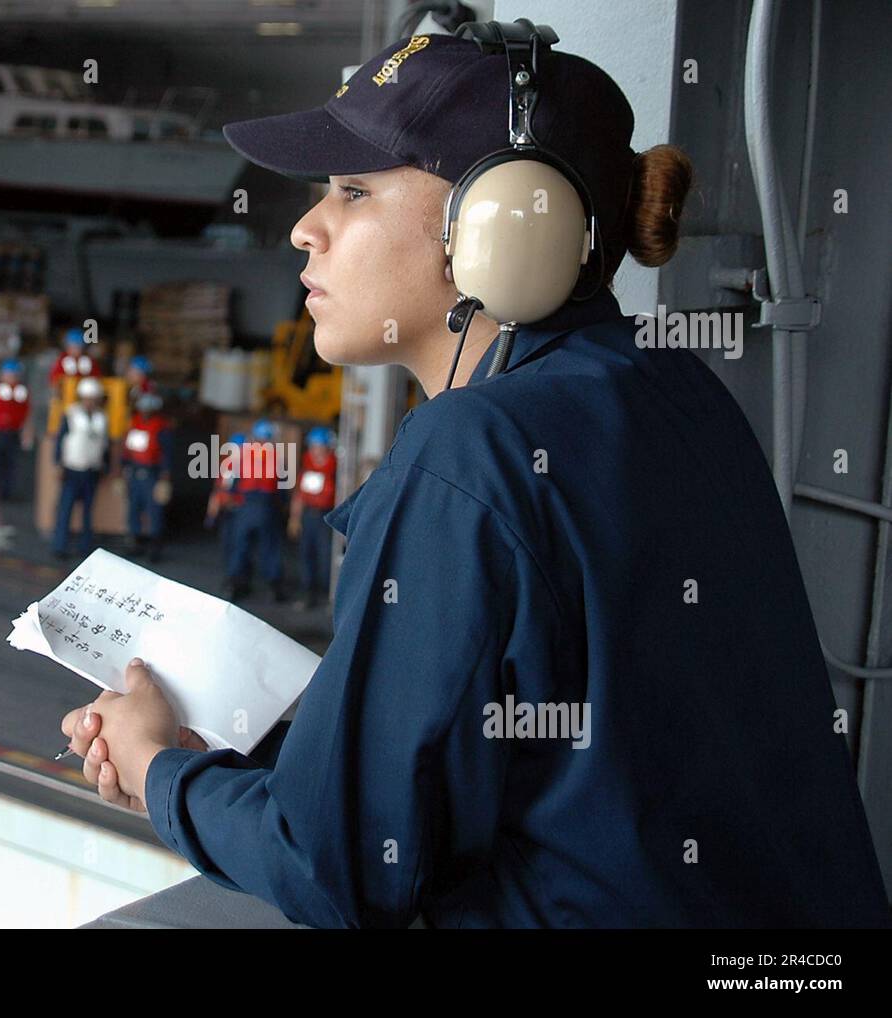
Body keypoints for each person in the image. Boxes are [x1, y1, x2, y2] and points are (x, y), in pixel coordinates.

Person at [58, 29, 890, 928]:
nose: (306, 227)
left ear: (500, 224)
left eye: (352, 191)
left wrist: (156, 770)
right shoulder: (675, 385)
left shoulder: (472, 448)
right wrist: (265, 759)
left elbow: (338, 869)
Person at [225, 419, 286, 603]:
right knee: (270, 548)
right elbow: (282, 489)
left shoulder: (243, 455)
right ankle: (275, 587)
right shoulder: (276, 457)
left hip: (245, 507)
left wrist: (232, 499)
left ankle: (237, 585)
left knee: (241, 547)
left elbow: (233, 484)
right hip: (267, 507)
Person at [51, 376, 109, 559]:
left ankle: (85, 546)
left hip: (92, 469)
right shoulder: (71, 414)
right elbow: (61, 440)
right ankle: (60, 545)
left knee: (88, 510)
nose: (90, 402)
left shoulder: (102, 418)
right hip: (72, 467)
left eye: (93, 398)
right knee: (65, 508)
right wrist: (58, 463)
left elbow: (104, 443)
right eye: (87, 398)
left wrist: (104, 465)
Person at [288, 426, 337, 610]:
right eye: (312, 446)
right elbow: (300, 494)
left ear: (327, 447)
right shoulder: (307, 464)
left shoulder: (336, 468)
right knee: (306, 555)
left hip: (327, 517)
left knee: (326, 558)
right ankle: (309, 595)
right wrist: (294, 518)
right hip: (309, 516)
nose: (315, 450)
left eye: (319, 446)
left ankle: (329, 598)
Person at [121, 391, 173, 562]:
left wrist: (165, 478)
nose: (144, 411)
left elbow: (167, 454)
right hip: (135, 472)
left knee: (154, 511)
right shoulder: (134, 424)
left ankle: (155, 547)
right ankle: (134, 543)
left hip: (152, 474)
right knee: (134, 508)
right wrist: (122, 470)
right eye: (142, 408)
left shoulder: (161, 427)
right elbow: (127, 450)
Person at [0, 358, 34, 501]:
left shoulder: (22, 393)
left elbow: (27, 414)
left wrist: (27, 433)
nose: (12, 378)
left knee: (11, 463)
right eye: (9, 375)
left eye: (14, 375)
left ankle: (6, 491)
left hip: (13, 432)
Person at [205, 431, 247, 578]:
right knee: (227, 543)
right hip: (226, 512)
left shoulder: (249, 469)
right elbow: (218, 488)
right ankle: (230, 575)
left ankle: (238, 578)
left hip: (240, 513)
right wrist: (213, 506)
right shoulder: (226, 466)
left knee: (240, 546)